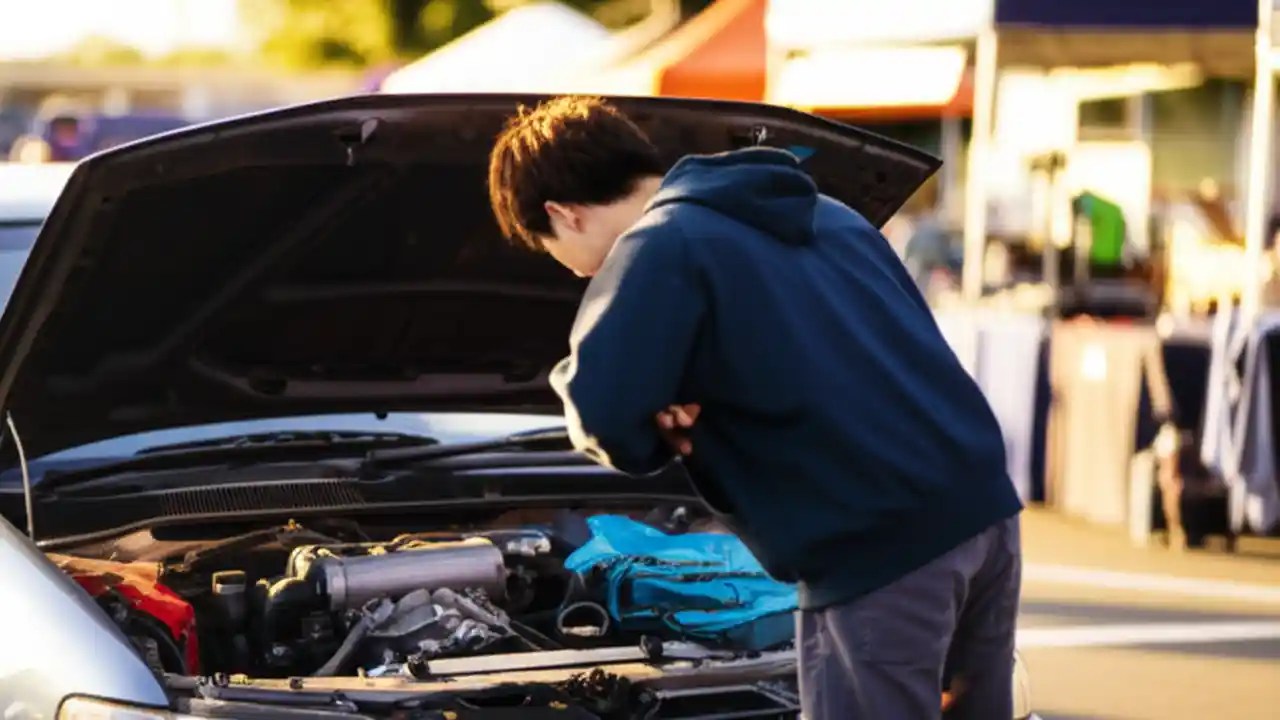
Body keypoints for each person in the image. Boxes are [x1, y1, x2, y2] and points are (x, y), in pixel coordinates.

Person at [487, 96, 1024, 719]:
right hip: (983, 516)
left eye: (549, 247)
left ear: (562, 214)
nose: (575, 274)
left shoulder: (660, 245)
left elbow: (603, 414)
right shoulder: (832, 216)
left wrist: (651, 429)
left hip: (880, 555)